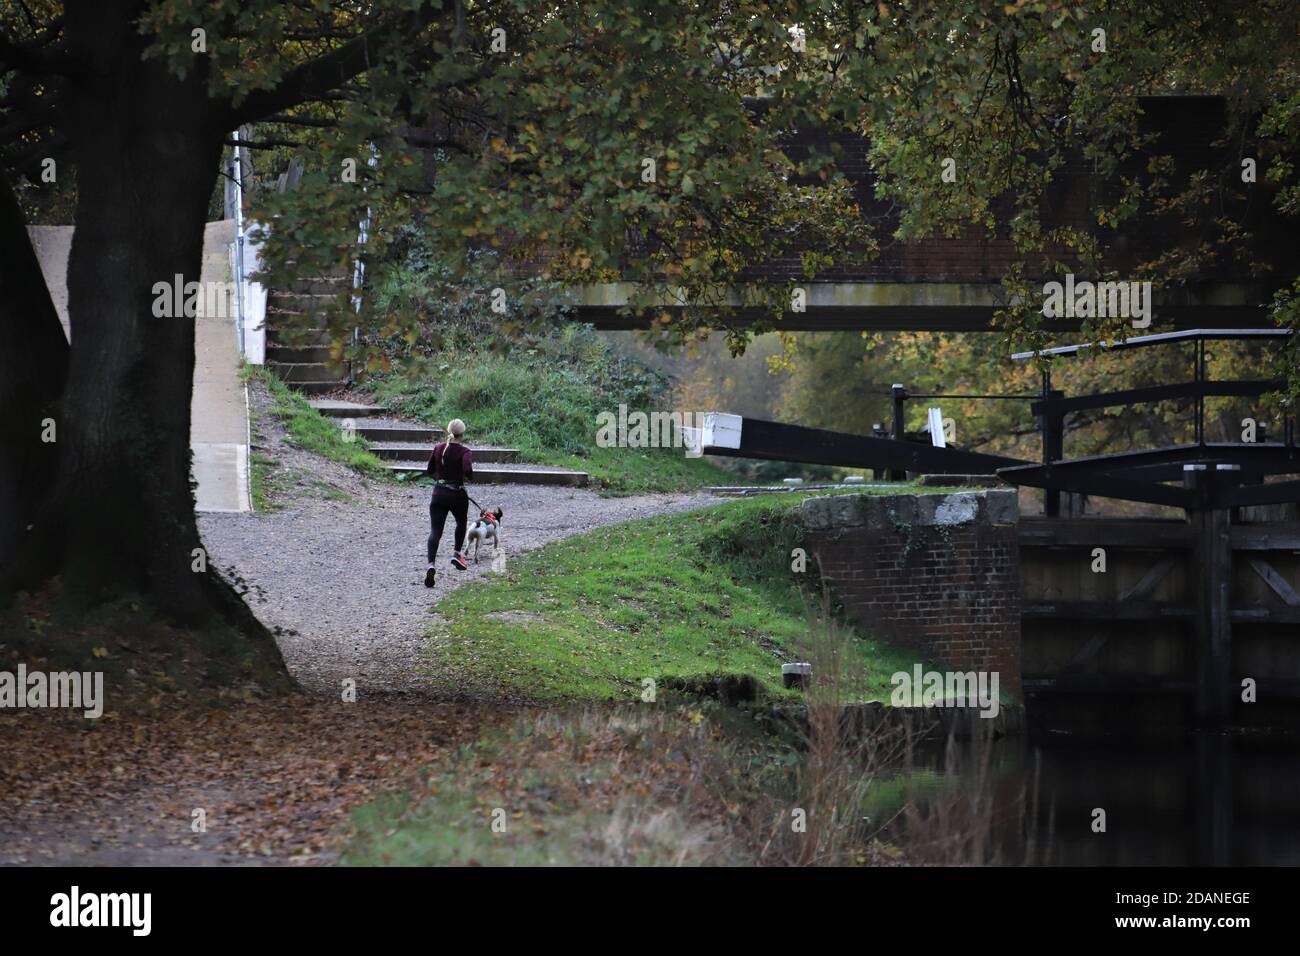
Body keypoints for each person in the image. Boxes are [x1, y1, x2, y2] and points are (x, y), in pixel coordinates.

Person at [424, 418, 473, 587]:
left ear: (448, 432)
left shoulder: (438, 448)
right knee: (461, 523)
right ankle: (457, 554)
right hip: (458, 494)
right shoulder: (465, 451)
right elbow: (467, 471)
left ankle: (431, 564)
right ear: (463, 434)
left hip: (439, 494)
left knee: (435, 530)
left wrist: (440, 480)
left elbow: (429, 470)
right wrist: (467, 477)